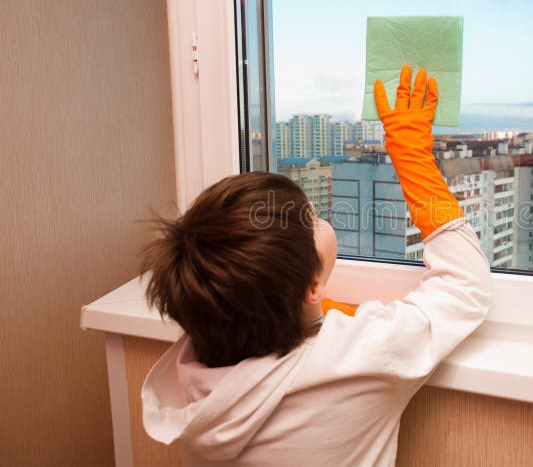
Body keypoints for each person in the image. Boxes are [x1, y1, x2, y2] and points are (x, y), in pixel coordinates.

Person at [140, 66, 492, 466]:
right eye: (313, 219)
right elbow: (466, 285)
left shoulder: (195, 369)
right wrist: (412, 156)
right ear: (310, 287)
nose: (320, 216)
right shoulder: (362, 354)